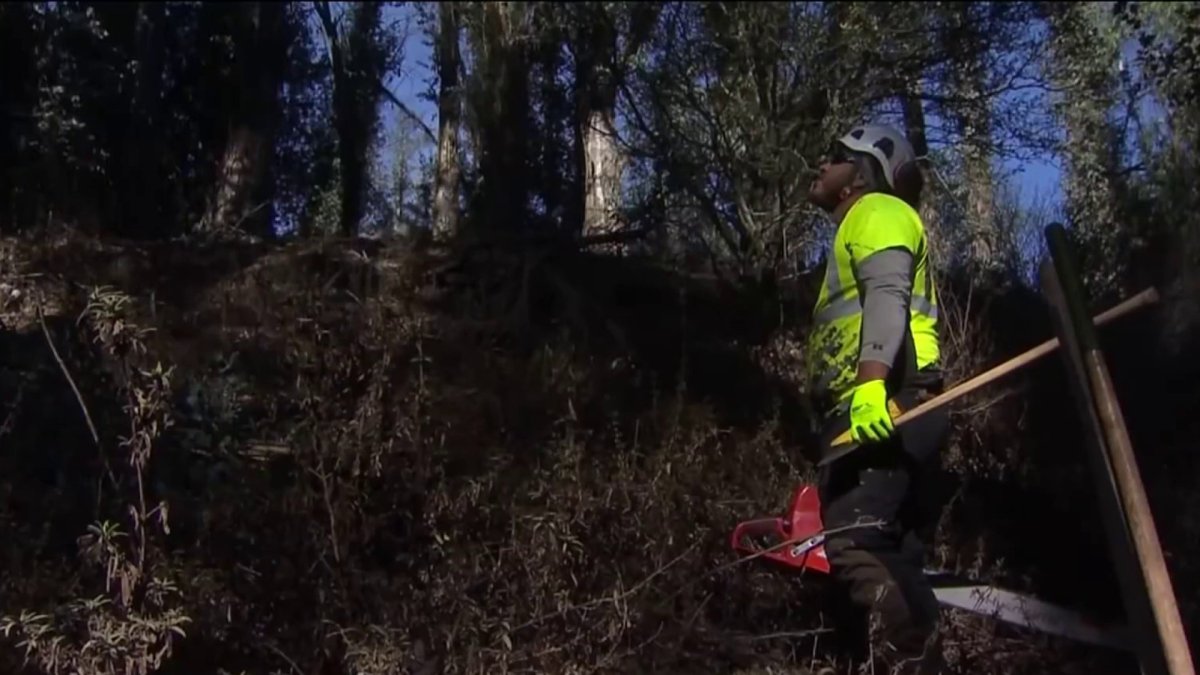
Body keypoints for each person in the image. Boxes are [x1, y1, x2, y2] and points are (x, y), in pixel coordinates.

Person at [804, 123, 949, 674]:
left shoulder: (877, 212)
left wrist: (868, 386)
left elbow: (887, 295)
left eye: (837, 155)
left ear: (861, 175)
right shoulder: (859, 226)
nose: (822, 163)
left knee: (857, 543)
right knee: (898, 556)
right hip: (899, 407)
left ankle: (912, 664)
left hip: (888, 404)